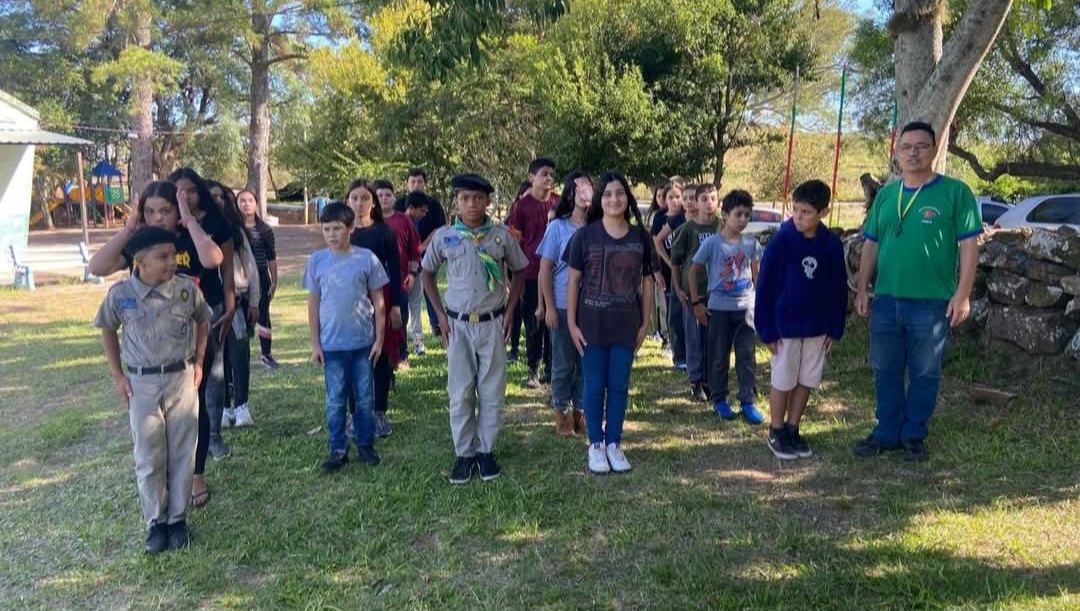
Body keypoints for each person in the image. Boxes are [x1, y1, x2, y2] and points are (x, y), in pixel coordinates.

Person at [88, 178, 225, 508]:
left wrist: (188, 220)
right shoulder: (143, 244)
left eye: (165, 210)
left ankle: (195, 473)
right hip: (152, 340)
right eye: (150, 211)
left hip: (192, 333)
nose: (157, 217)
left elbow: (212, 259)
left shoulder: (189, 237)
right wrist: (129, 227)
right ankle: (163, 483)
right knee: (156, 422)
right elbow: (97, 267)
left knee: (197, 407)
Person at [854, 121, 982, 462]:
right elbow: (870, 244)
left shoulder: (956, 193)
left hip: (931, 302)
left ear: (935, 149)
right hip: (886, 300)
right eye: (906, 146)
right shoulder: (886, 195)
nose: (913, 152)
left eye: (921, 146)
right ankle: (886, 433)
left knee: (925, 371)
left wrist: (963, 294)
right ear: (897, 153)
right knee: (885, 368)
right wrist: (863, 288)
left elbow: (969, 246)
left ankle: (914, 435)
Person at [94, 226, 211, 553]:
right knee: (149, 455)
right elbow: (106, 328)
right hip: (142, 383)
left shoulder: (186, 291)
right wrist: (118, 375)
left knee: (182, 452)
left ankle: (177, 520)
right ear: (140, 261)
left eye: (173, 255)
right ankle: (155, 523)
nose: (172, 261)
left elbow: (204, 321)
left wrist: (200, 361)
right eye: (163, 257)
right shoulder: (121, 295)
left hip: (182, 379)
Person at [421, 173, 528, 485]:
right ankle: (464, 453)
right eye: (465, 198)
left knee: (492, 390)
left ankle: (486, 451)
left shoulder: (500, 237)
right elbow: (427, 273)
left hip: (493, 324)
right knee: (461, 391)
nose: (472, 204)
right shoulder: (444, 237)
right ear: (456, 201)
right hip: (458, 326)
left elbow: (520, 270)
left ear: (488, 202)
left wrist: (510, 311)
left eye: (478, 199)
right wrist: (440, 315)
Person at [566, 171, 654, 475]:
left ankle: (614, 442)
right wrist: (571, 323)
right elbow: (573, 280)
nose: (614, 199)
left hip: (626, 325)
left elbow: (648, 282)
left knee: (619, 386)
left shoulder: (640, 237)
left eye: (619, 193)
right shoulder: (585, 236)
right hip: (591, 324)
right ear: (599, 200)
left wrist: (645, 323)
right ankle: (596, 444)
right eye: (607, 194)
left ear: (628, 198)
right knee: (594, 385)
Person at [754, 180, 848, 459]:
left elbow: (838, 288)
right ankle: (776, 429)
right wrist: (767, 329)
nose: (798, 216)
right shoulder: (782, 241)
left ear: (823, 212)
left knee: (806, 379)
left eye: (806, 211)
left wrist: (835, 327)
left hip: (817, 328)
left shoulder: (831, 245)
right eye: (795, 209)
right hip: (786, 328)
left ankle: (793, 428)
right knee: (783, 379)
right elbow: (766, 287)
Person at [167, 167, 237, 508]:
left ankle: (197, 471)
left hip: (205, 317)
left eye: (190, 190)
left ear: (200, 192)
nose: (184, 196)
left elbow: (221, 270)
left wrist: (231, 304)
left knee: (198, 389)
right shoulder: (163, 228)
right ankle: (169, 471)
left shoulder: (217, 224)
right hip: (165, 325)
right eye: (176, 191)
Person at [304, 202, 388, 473]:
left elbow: (379, 301)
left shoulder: (366, 259)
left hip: (363, 343)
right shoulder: (317, 261)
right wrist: (316, 343)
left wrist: (379, 339)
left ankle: (365, 444)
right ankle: (337, 449)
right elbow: (313, 304)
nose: (332, 234)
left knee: (364, 398)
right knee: (335, 400)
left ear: (350, 228)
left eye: (337, 228)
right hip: (332, 346)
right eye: (326, 228)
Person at [688, 188, 763, 423]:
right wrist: (697, 302)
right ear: (725, 214)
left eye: (747, 215)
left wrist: (758, 301)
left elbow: (756, 274)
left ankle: (748, 400)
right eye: (738, 214)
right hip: (719, 309)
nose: (743, 220)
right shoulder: (712, 244)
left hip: (745, 309)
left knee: (746, 356)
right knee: (719, 356)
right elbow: (693, 271)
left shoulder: (751, 244)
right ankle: (719, 399)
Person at [345, 179, 403, 439]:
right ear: (347, 201)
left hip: (382, 300)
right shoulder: (342, 232)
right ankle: (354, 414)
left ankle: (379, 412)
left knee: (379, 356)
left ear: (373, 202)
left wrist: (396, 306)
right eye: (355, 198)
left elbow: (396, 270)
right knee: (351, 357)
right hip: (350, 303)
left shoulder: (384, 232)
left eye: (365, 198)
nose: (360, 203)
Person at [537, 171, 592, 437]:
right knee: (562, 363)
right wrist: (547, 306)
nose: (583, 194)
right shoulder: (557, 228)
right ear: (569, 194)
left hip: (591, 307)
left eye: (588, 188)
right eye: (577, 189)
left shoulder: (599, 227)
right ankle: (561, 412)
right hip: (560, 304)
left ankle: (581, 411)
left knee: (586, 362)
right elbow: (545, 269)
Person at [207, 180, 261, 430]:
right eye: (210, 196)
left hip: (237, 302)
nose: (216, 200)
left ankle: (242, 406)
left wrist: (254, 300)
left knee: (238, 354)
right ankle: (224, 408)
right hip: (208, 304)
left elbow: (251, 267)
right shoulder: (194, 231)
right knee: (216, 359)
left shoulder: (235, 231)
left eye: (220, 196)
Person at [507, 157, 558, 388]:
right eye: (543, 173)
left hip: (557, 273)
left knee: (554, 321)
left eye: (550, 174)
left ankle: (552, 367)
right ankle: (533, 369)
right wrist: (512, 274)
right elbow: (514, 242)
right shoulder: (522, 207)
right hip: (529, 273)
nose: (548, 178)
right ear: (532, 177)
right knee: (534, 322)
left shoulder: (559, 203)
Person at [670, 183, 720, 402]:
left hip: (718, 291)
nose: (709, 204)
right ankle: (695, 380)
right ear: (695, 203)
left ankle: (711, 378)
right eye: (704, 199)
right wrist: (678, 289)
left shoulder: (722, 226)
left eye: (713, 198)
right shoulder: (688, 229)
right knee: (694, 337)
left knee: (714, 337)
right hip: (693, 291)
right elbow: (676, 262)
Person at [395, 168, 447, 345]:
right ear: (407, 183)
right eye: (412, 181)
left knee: (427, 290)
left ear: (425, 183)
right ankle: (402, 336)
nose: (416, 185)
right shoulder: (399, 207)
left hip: (426, 255)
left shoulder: (433, 204)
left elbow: (439, 228)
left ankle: (435, 325)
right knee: (404, 299)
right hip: (403, 263)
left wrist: (423, 246)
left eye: (419, 181)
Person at [374, 179, 421, 367]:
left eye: (388, 195)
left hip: (399, 279)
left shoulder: (403, 220)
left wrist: (412, 274)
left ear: (394, 197)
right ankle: (382, 354)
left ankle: (401, 355)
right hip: (373, 282)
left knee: (400, 317)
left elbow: (414, 249)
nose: (384, 199)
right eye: (380, 195)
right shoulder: (369, 221)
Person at [235, 190, 279, 370]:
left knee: (263, 313)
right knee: (241, 316)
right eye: (242, 201)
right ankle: (239, 356)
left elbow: (271, 257)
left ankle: (266, 354)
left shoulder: (264, 230)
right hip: (240, 276)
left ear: (256, 203)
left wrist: (274, 280)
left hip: (261, 275)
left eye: (250, 200)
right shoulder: (234, 228)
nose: (246, 204)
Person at [653, 182, 686, 368]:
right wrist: (660, 268)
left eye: (678, 196)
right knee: (669, 309)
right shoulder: (660, 219)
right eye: (670, 197)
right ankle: (670, 343)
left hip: (686, 272)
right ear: (664, 200)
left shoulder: (685, 217)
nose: (675, 201)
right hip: (667, 271)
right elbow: (655, 244)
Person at [645, 184, 670, 348]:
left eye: (664, 196)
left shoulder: (677, 216)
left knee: (667, 303)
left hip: (670, 269)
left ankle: (667, 334)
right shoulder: (655, 217)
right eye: (659, 196)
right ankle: (658, 331)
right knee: (658, 302)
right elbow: (652, 246)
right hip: (658, 267)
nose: (662, 199)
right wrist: (655, 270)